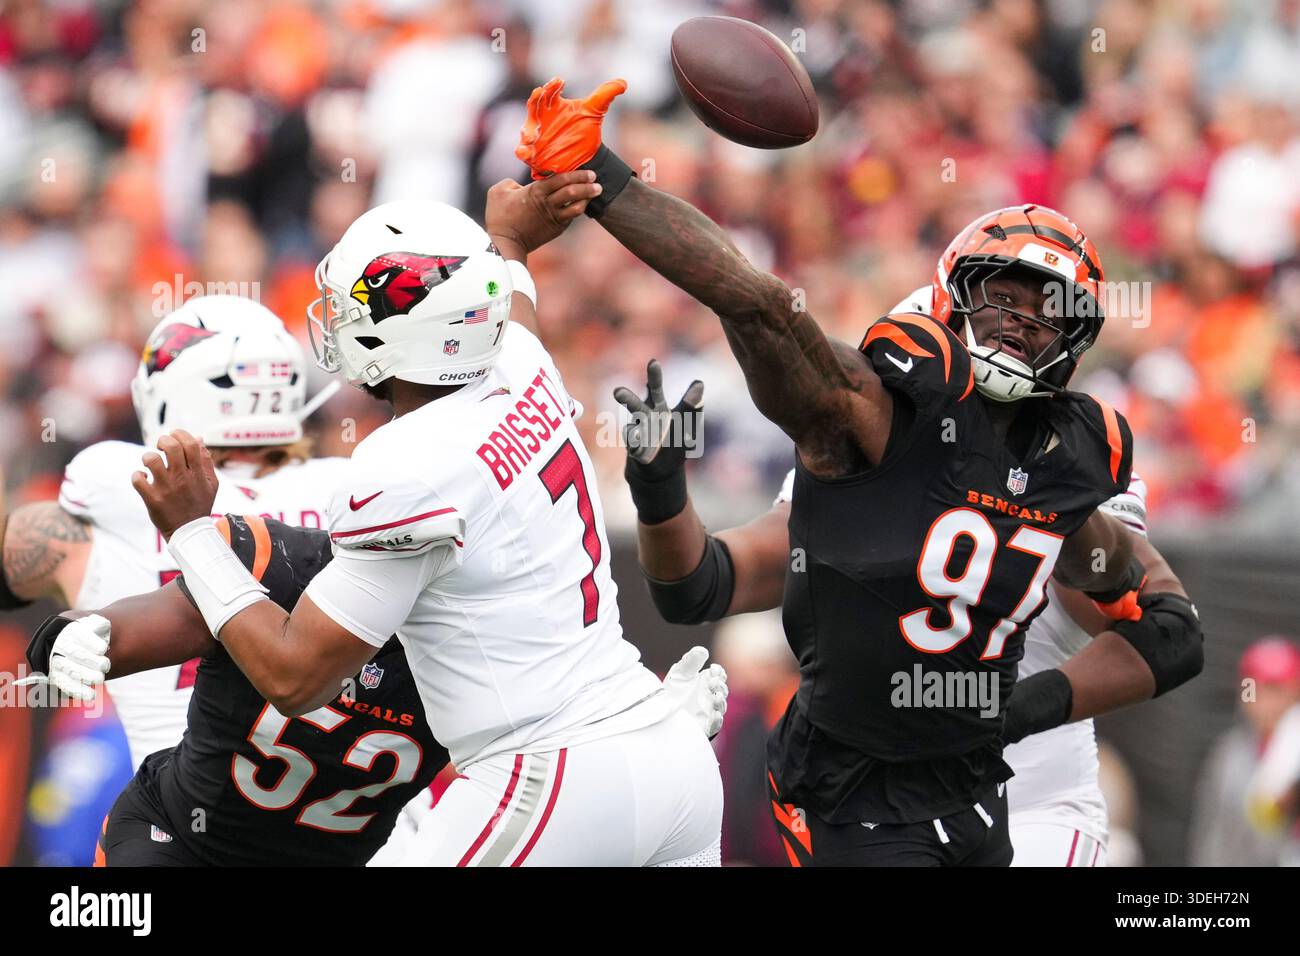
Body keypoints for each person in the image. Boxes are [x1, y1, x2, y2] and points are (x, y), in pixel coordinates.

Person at [516, 77, 1203, 865]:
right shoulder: (866, 425)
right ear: (939, 311)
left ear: (1076, 345)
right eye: (999, 300)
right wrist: (603, 176)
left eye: (1045, 314)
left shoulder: (1064, 466)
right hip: (853, 787)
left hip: (1000, 785)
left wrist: (1013, 705)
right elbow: (759, 309)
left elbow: (1169, 632)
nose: (1018, 326)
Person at [126, 172, 725, 866]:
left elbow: (296, 678)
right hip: (663, 747)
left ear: (400, 332)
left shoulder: (406, 463)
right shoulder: (522, 362)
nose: (338, 321)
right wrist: (508, 236)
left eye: (352, 308)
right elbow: (512, 294)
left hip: (553, 772)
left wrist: (193, 533)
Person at [26, 514, 727, 866]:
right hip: (181, 839)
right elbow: (159, 621)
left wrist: (651, 731)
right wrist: (79, 635)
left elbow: (556, 749)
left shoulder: (481, 645)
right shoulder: (281, 565)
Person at [1, 295, 345, 770]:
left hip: (183, 815)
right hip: (353, 817)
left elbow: (15, 556)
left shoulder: (116, 481)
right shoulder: (349, 489)